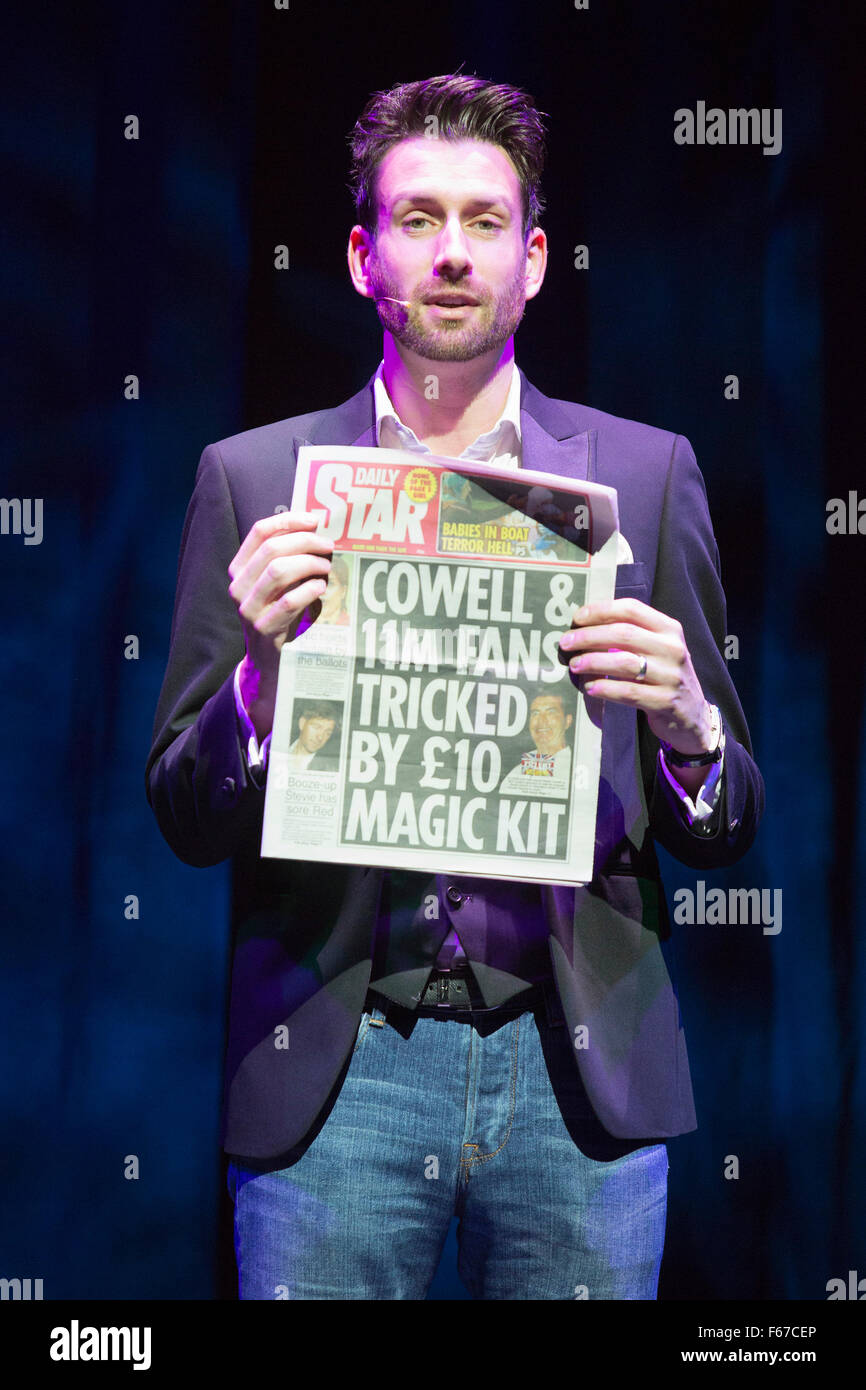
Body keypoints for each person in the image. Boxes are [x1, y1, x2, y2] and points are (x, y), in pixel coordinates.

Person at [146, 73, 764, 1300]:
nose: (450, 254)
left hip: (572, 1074)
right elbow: (181, 812)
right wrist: (258, 689)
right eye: (416, 220)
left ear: (532, 260)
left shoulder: (644, 476)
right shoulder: (255, 479)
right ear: (362, 256)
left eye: (484, 223)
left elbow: (731, 818)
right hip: (340, 1066)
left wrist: (690, 729)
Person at [284, 700, 339, 772]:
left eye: (328, 733)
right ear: (302, 723)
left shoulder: (329, 769)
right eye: (316, 727)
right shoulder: (281, 745)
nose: (320, 737)